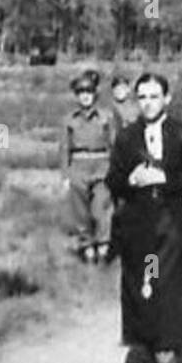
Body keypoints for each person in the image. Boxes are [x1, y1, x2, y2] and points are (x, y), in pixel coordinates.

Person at [105, 72, 182, 363]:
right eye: (143, 97)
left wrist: (165, 179)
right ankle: (148, 344)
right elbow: (112, 179)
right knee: (145, 282)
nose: (148, 104)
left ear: (167, 98)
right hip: (140, 227)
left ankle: (169, 348)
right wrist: (130, 180)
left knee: (170, 284)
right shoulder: (126, 138)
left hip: (172, 224)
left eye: (154, 96)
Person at [62, 68, 115, 263]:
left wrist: (116, 171)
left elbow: (114, 144)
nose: (85, 97)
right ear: (77, 96)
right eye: (81, 93)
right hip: (78, 167)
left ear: (95, 94)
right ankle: (87, 246)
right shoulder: (70, 120)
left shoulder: (106, 117)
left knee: (102, 208)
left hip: (102, 166)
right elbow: (64, 148)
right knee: (81, 211)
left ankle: (103, 245)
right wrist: (65, 176)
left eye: (89, 92)